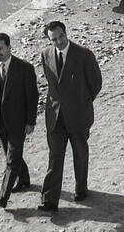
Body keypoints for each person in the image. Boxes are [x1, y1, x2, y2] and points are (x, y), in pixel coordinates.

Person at [39, 21, 103, 211]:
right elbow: (52, 85)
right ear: (49, 40)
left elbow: (96, 83)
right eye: (54, 39)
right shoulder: (46, 55)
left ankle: (81, 189)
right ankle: (49, 200)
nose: (59, 41)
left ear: (66, 33)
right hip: (55, 117)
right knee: (55, 157)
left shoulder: (83, 54)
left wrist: (82, 102)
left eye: (61, 36)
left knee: (80, 154)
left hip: (78, 116)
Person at [0, 33, 40, 208]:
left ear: (10, 47)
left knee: (11, 160)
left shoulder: (25, 68)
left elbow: (32, 97)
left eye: (1, 48)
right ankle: (25, 180)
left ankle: (3, 197)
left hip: (19, 123)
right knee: (11, 155)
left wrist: (30, 122)